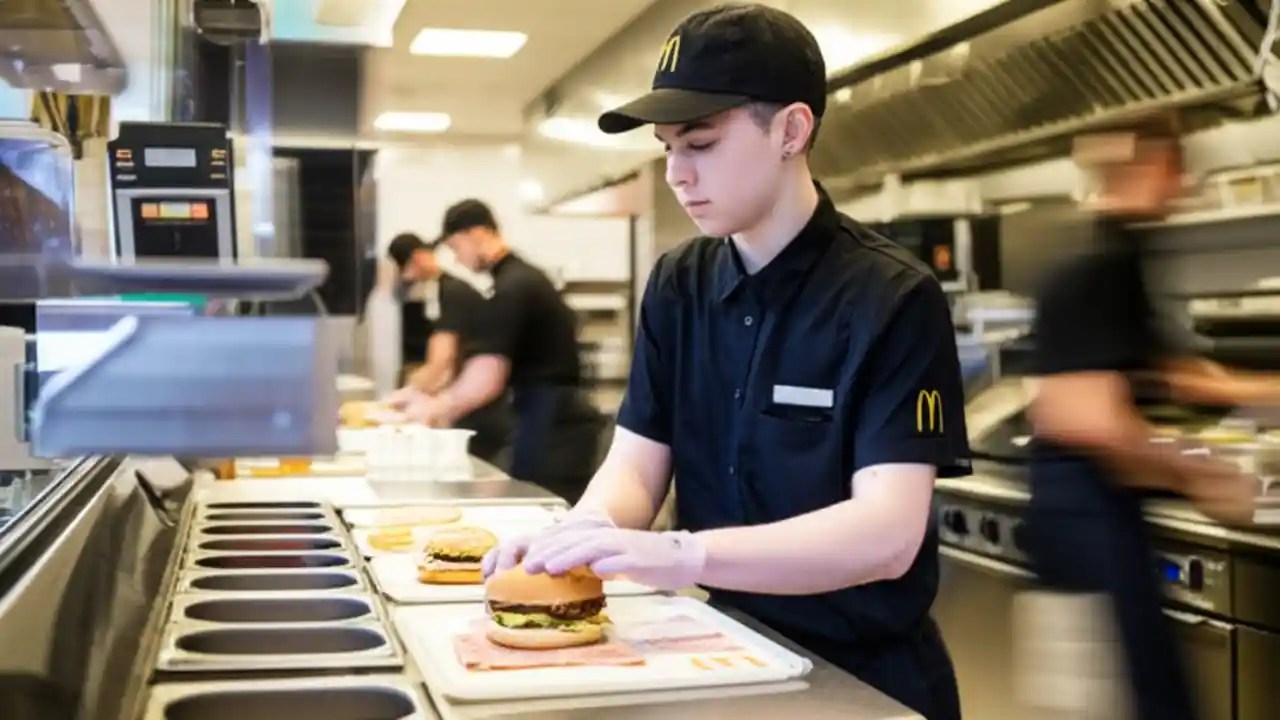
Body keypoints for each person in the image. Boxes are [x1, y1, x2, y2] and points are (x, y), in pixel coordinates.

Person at [483, 5, 971, 719]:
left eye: (701, 144)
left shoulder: (891, 297)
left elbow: (888, 536)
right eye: (667, 148)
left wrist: (684, 556)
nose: (677, 175)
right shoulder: (678, 283)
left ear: (792, 130)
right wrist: (574, 538)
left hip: (866, 677)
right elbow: (635, 467)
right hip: (727, 652)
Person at [1024, 121, 1276, 720]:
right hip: (1085, 527)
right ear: (1154, 169)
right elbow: (1082, 416)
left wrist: (1265, 393)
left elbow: (1171, 371)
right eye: (1179, 171)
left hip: (1084, 517)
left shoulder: (1119, 252)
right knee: (1123, 704)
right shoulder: (1098, 263)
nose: (1184, 186)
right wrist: (1199, 470)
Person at [409, 199, 602, 503]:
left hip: (554, 427)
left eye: (456, 247)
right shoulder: (521, 278)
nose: (458, 260)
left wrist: (433, 409)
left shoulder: (513, 287)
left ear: (477, 234)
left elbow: (486, 377)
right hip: (549, 418)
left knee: (545, 517)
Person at [385, 232, 511, 464]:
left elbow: (442, 360)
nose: (410, 277)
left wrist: (409, 394)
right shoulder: (446, 289)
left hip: (479, 410)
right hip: (478, 402)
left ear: (419, 257)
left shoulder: (451, 292)